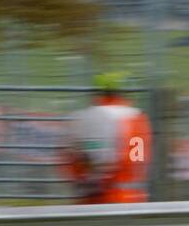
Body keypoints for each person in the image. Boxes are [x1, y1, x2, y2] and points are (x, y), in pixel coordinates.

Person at [64, 72, 152, 205]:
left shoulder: (83, 117)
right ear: (122, 92)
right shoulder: (137, 117)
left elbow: (70, 157)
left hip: (90, 200)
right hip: (131, 199)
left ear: (96, 93)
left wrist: (84, 177)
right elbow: (138, 159)